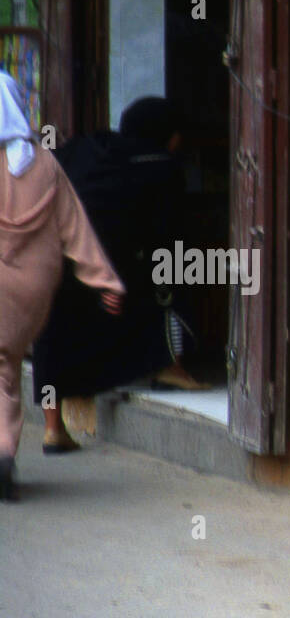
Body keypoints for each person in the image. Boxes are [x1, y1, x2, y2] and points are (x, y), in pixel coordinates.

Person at [32, 96, 196, 455]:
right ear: (166, 134)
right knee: (174, 270)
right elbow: (166, 240)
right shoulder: (161, 165)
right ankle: (170, 364)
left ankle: (52, 429)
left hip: (51, 252)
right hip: (105, 261)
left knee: (52, 327)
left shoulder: (82, 148)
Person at [0, 71, 125, 501]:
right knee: (5, 366)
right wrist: (104, 279)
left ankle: (1, 451)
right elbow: (75, 228)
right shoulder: (45, 163)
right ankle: (2, 450)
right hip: (30, 292)